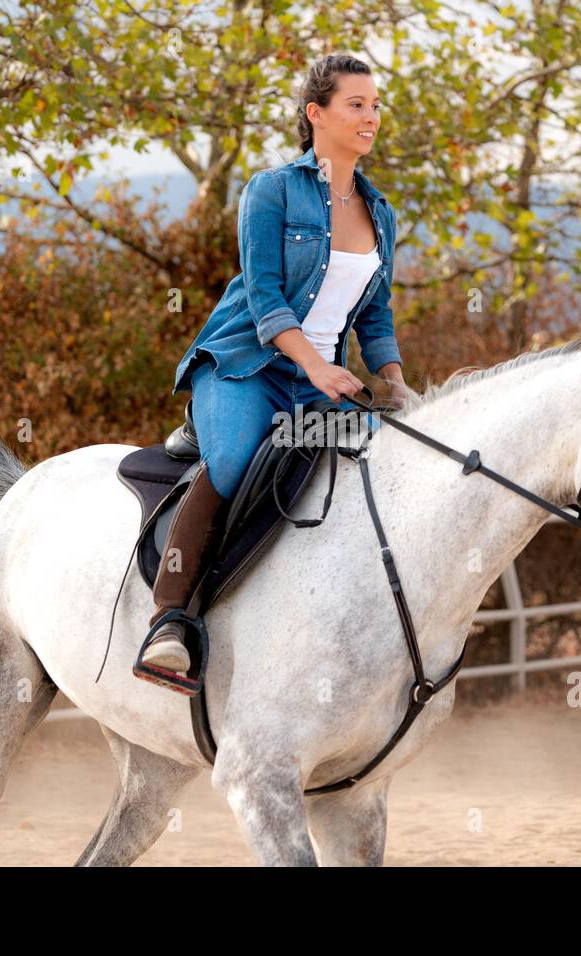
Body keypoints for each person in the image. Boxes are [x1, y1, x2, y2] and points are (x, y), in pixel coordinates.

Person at [135, 53, 409, 695]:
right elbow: (264, 297)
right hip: (246, 365)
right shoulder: (272, 190)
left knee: (375, 471)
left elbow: (375, 313)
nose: (370, 116)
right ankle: (170, 618)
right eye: (356, 104)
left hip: (320, 382)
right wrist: (315, 367)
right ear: (316, 114)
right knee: (232, 464)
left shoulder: (381, 213)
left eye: (375, 105)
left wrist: (393, 378)